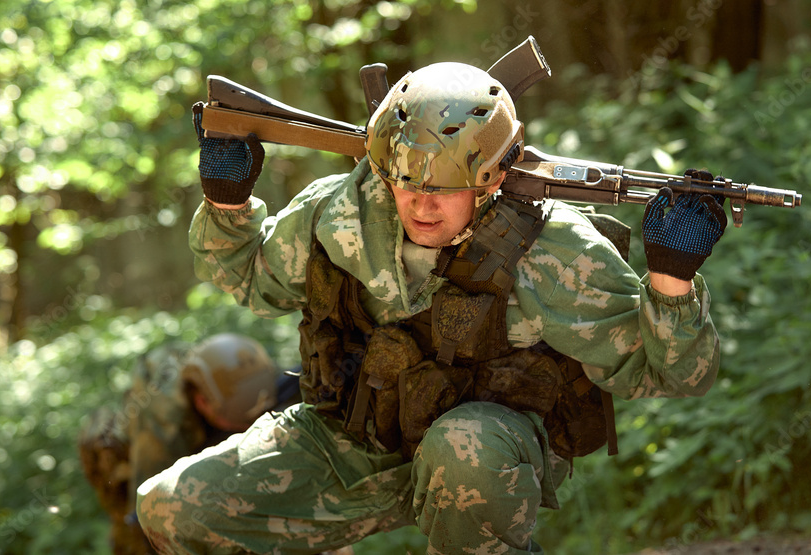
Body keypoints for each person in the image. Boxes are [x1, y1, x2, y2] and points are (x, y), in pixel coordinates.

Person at [136, 61, 726, 554]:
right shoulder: (342, 214)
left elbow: (674, 373)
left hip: (480, 457)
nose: (420, 203)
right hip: (352, 437)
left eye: (445, 186)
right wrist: (227, 199)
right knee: (171, 507)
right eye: (404, 181)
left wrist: (670, 281)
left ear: (491, 178)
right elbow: (245, 279)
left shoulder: (552, 250)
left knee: (463, 449)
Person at [80, 333, 293, 554]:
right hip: (114, 458)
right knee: (140, 533)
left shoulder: (239, 369)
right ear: (202, 402)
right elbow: (150, 509)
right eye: (237, 424)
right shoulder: (165, 425)